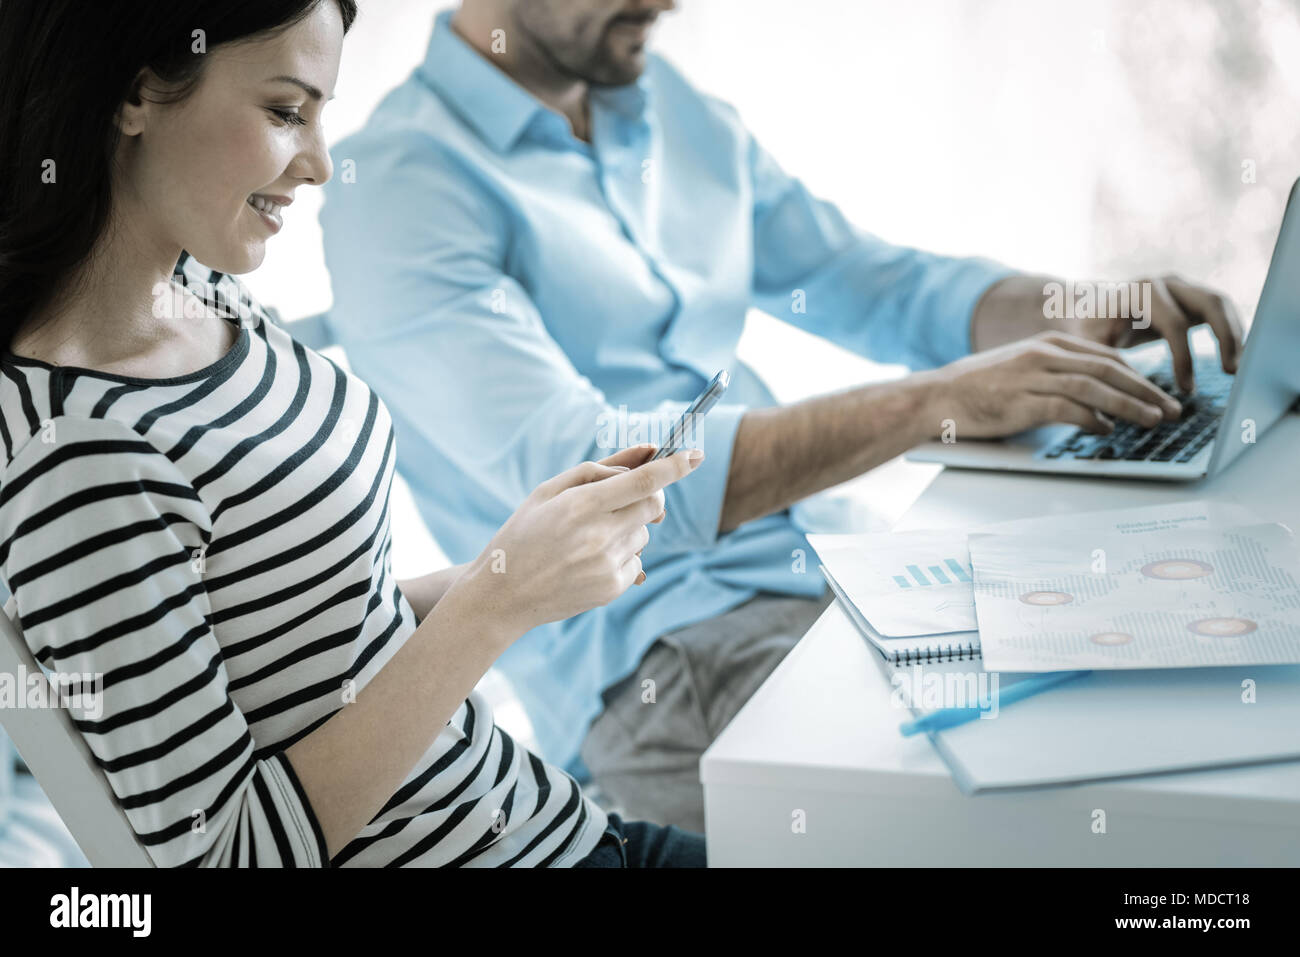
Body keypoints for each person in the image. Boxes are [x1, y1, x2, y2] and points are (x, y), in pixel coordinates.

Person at [319, 0, 1245, 831]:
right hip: (674, 654)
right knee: (1083, 815)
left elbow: (873, 284)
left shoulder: (659, 103)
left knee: (1186, 684)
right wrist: (938, 401)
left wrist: (1076, 308)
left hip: (863, 568)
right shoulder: (399, 184)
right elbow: (598, 479)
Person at [0, 0, 705, 868]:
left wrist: (520, 564)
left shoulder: (200, 294)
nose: (322, 164)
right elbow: (227, 855)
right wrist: (497, 602)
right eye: (286, 112)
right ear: (138, 91)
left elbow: (304, 643)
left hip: (551, 826)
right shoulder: (78, 456)